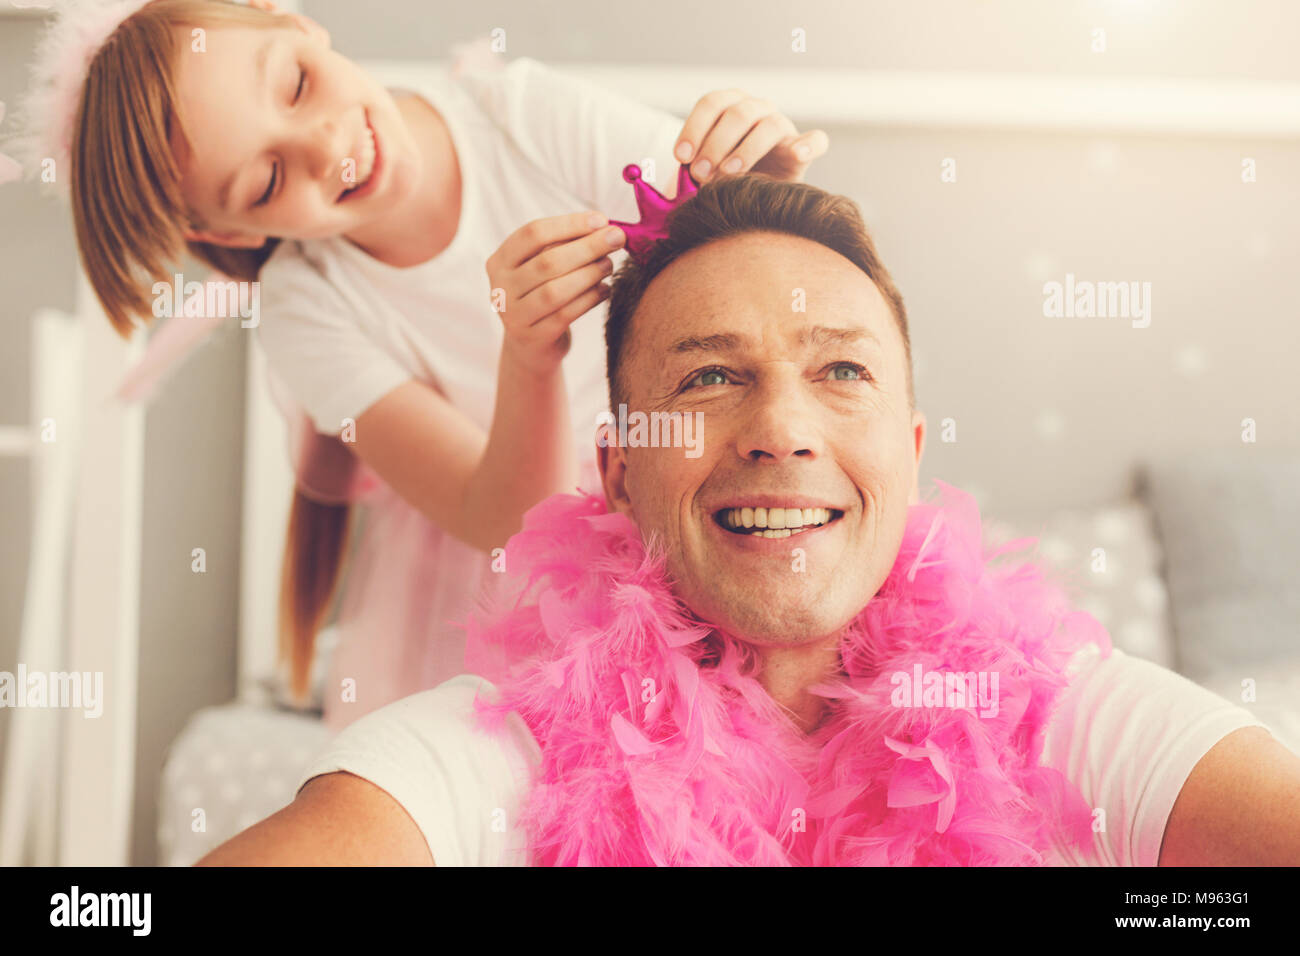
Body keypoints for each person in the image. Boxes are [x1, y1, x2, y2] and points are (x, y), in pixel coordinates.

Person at [200, 171, 1300, 866]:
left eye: (839, 370)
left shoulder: (1065, 716)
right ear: (618, 470)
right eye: (709, 377)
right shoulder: (493, 753)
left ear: (908, 454)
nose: (780, 428)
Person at [7, 0, 828, 727]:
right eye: (265, 181)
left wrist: (764, 186)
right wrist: (529, 356)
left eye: (294, 85)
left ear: (292, 21)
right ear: (226, 234)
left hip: (703, 487)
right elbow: (508, 519)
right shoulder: (307, 307)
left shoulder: (518, 113)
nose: (326, 148)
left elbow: (751, 248)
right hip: (534, 569)